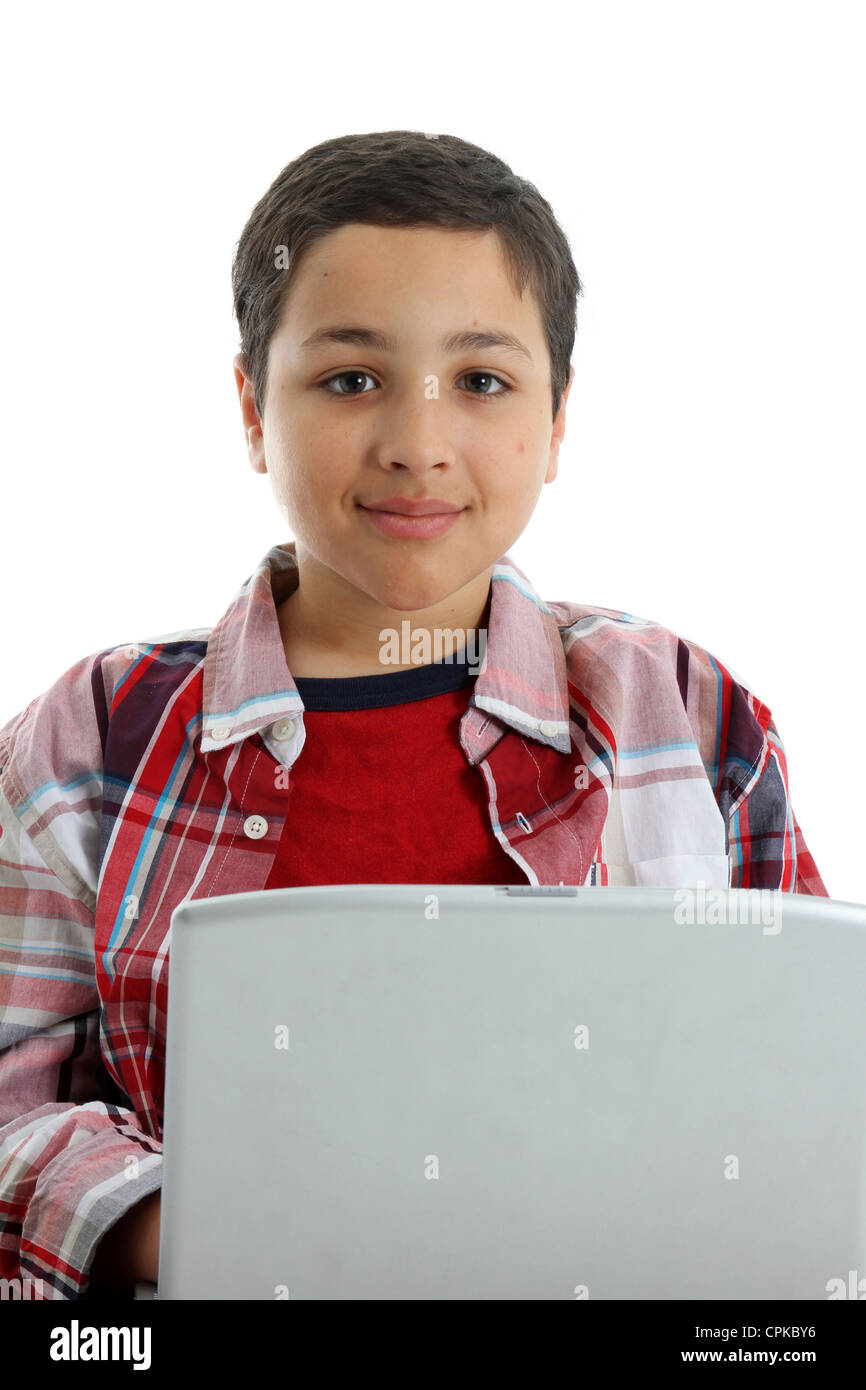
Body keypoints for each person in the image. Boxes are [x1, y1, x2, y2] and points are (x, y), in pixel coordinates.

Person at [0, 130, 828, 1301]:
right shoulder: (89, 738)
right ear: (251, 407)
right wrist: (186, 1231)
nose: (415, 444)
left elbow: (799, 1068)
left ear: (556, 421)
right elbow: (10, 1100)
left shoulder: (684, 715)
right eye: (349, 379)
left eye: (480, 382)